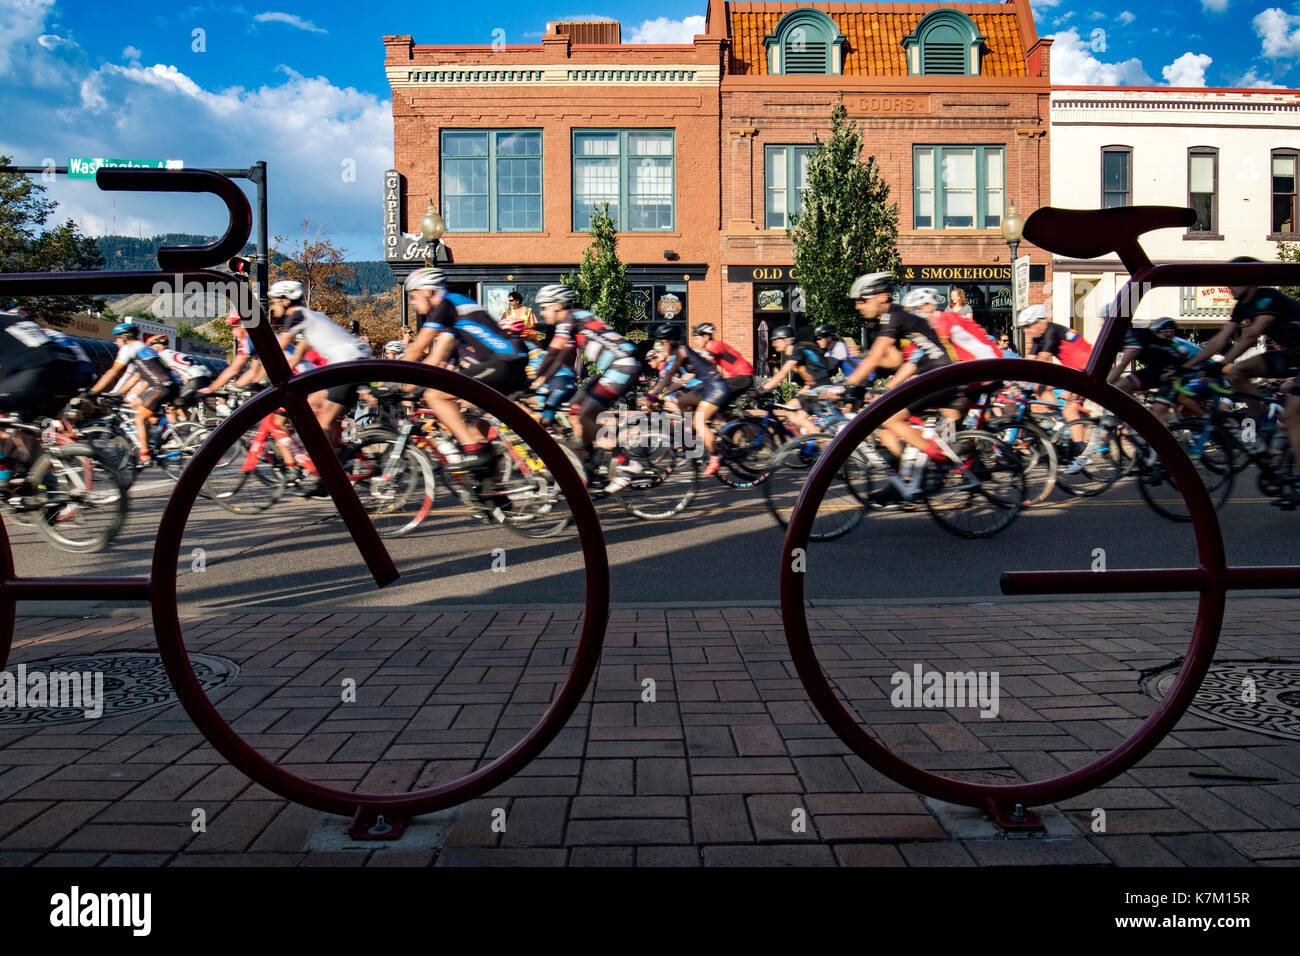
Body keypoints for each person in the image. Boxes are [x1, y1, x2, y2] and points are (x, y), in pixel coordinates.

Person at [401, 267, 529, 472]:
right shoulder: (453, 313)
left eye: (414, 296)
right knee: (473, 425)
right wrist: (414, 381)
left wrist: (391, 381)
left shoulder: (445, 304)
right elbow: (436, 356)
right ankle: (492, 495)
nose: (413, 303)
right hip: (508, 361)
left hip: (504, 361)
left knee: (435, 396)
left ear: (427, 291)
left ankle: (474, 451)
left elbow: (417, 348)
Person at [1184, 256, 1300, 478]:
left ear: (1250, 280)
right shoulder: (1242, 306)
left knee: (1293, 415)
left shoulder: (1269, 297)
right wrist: (1188, 366)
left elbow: (1251, 336)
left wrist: (1222, 364)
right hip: (1291, 356)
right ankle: (1267, 427)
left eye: (1234, 281)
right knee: (1238, 373)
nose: (1229, 287)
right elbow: (1221, 338)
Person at [530, 283, 642, 490]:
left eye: (544, 307)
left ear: (557, 305)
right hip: (614, 367)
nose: (542, 312)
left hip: (623, 366)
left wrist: (535, 380)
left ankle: (625, 463)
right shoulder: (574, 323)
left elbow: (553, 353)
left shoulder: (569, 318)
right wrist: (542, 381)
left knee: (585, 415)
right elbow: (560, 359)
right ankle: (589, 459)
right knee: (573, 407)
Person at [265, 280, 369, 496]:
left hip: (346, 366)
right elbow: (294, 358)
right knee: (311, 403)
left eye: (274, 302)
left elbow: (275, 351)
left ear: (286, 301)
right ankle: (335, 455)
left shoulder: (297, 317)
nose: (272, 307)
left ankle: (329, 478)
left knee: (322, 426)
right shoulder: (309, 318)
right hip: (347, 364)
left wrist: (256, 378)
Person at [842, 274, 958, 465]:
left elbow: (876, 357)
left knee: (890, 420)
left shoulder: (894, 316)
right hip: (932, 375)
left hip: (939, 376)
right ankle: (901, 483)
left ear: (880, 297)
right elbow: (895, 361)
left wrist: (846, 384)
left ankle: (940, 462)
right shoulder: (892, 316)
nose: (858, 306)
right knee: (887, 430)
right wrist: (885, 387)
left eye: (862, 300)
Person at [0, 308, 92, 484]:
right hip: (69, 378)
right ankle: (44, 481)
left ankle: (3, 473)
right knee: (38, 430)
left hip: (35, 377)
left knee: (16, 426)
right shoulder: (34, 328)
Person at [89, 323, 181, 467]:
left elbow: (113, 371)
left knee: (139, 418)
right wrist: (118, 393)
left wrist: (94, 391)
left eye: (117, 339)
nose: (116, 342)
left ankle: (145, 456)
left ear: (124, 338)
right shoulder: (145, 349)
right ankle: (154, 440)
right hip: (171, 384)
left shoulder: (128, 348)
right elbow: (135, 377)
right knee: (138, 405)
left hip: (161, 386)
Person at [1016, 304, 1094, 472]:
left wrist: (1022, 382)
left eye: (1027, 327)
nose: (1025, 331)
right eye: (1023, 328)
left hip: (1087, 370)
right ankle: (1063, 423)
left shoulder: (1051, 332)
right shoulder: (1039, 336)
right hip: (1074, 370)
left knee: (1069, 408)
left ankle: (1082, 452)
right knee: (1039, 388)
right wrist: (1015, 382)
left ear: (1039, 323)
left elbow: (1042, 362)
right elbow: (1028, 361)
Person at [644, 324, 729, 477]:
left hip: (715, 387)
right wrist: (657, 394)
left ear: (672, 341)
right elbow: (671, 379)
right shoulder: (679, 353)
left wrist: (652, 395)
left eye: (663, 343)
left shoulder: (681, 352)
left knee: (698, 421)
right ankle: (692, 436)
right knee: (682, 402)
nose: (662, 347)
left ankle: (716, 456)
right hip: (706, 387)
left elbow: (669, 376)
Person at [759, 325, 833, 435]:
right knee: (794, 413)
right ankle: (812, 442)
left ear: (787, 340)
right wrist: (804, 389)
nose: (774, 344)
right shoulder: (797, 353)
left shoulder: (798, 350)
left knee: (793, 411)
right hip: (815, 388)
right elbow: (810, 376)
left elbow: (782, 374)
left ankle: (822, 443)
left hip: (820, 388)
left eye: (776, 340)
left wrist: (763, 388)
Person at [145, 334, 212, 420]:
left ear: (157, 347)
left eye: (151, 347)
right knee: (179, 405)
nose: (150, 350)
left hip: (195, 379)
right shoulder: (174, 353)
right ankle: (194, 427)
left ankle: (186, 430)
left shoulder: (162, 356)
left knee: (172, 405)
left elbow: (163, 376)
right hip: (205, 377)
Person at [690, 323, 754, 402]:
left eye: (696, 338)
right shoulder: (710, 349)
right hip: (740, 377)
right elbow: (709, 367)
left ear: (706, 337)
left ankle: (688, 415)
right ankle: (724, 414)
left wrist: (691, 354)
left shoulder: (714, 345)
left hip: (743, 376)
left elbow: (708, 358)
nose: (695, 342)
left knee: (708, 394)